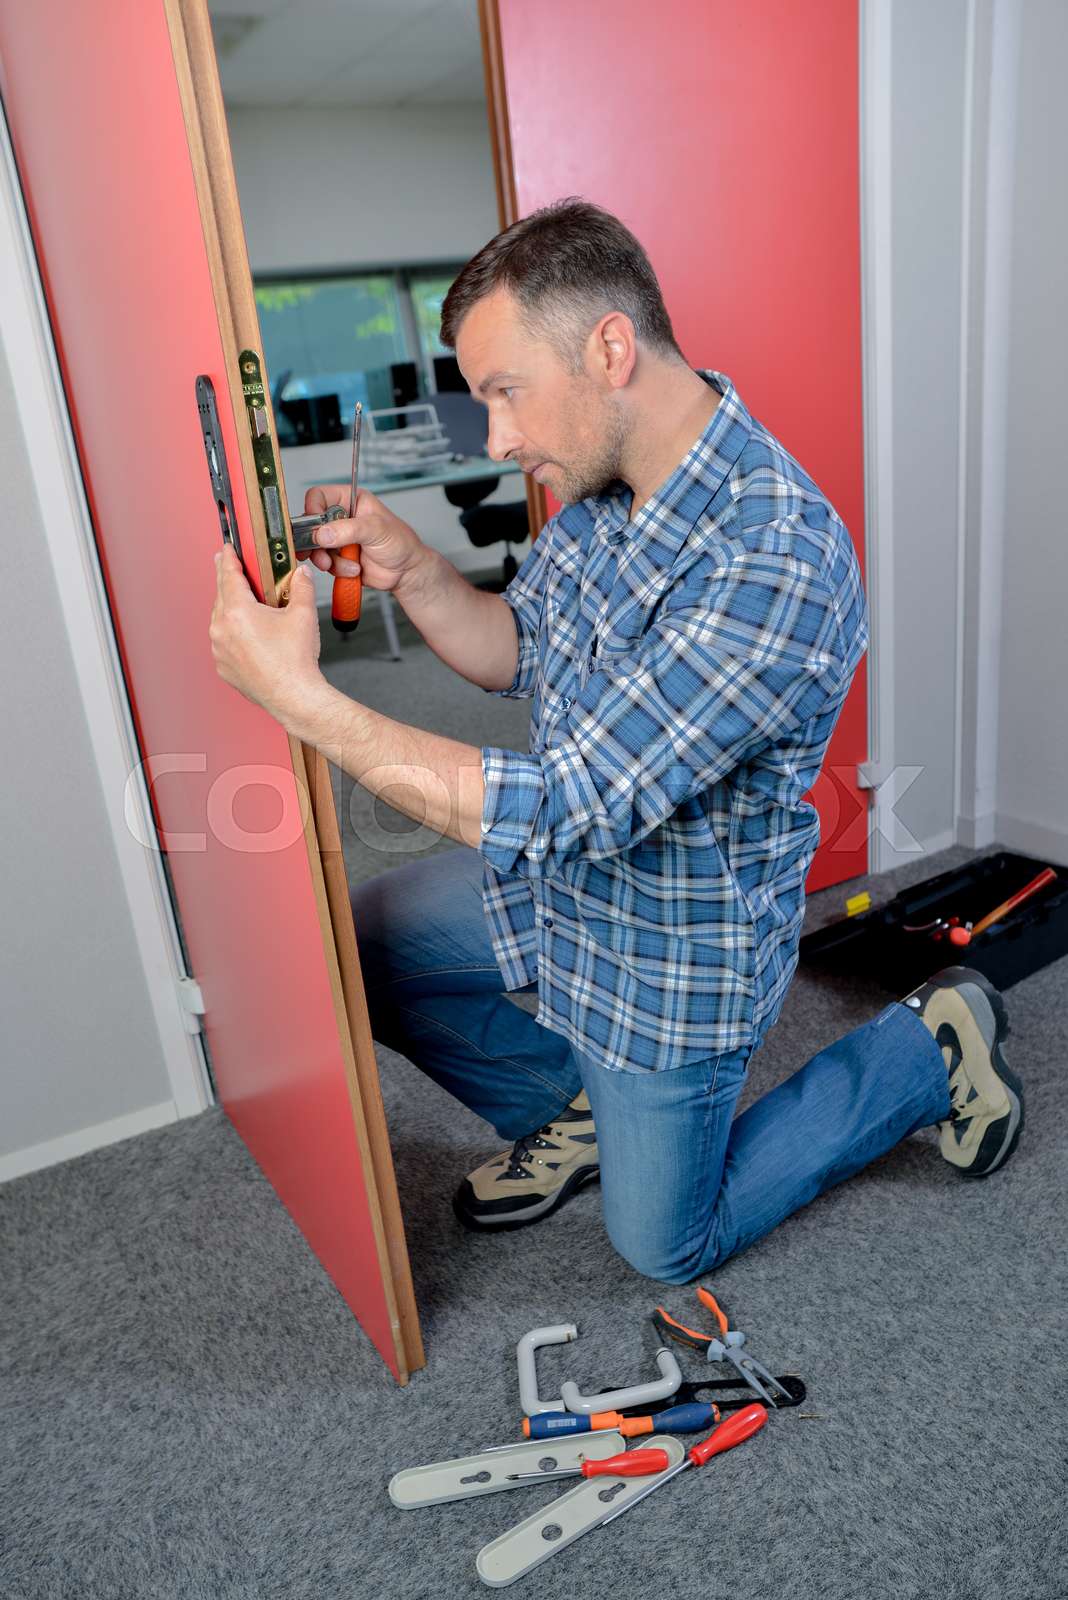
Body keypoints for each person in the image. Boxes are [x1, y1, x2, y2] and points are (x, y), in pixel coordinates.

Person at [209, 199, 1023, 1283]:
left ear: (608, 348)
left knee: (665, 1245)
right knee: (363, 945)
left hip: (673, 949)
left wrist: (307, 703)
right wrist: (413, 567)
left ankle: (924, 1046)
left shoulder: (772, 555)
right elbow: (517, 647)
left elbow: (568, 802)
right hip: (566, 891)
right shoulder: (607, 490)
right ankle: (581, 1111)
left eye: (505, 392)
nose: (496, 440)